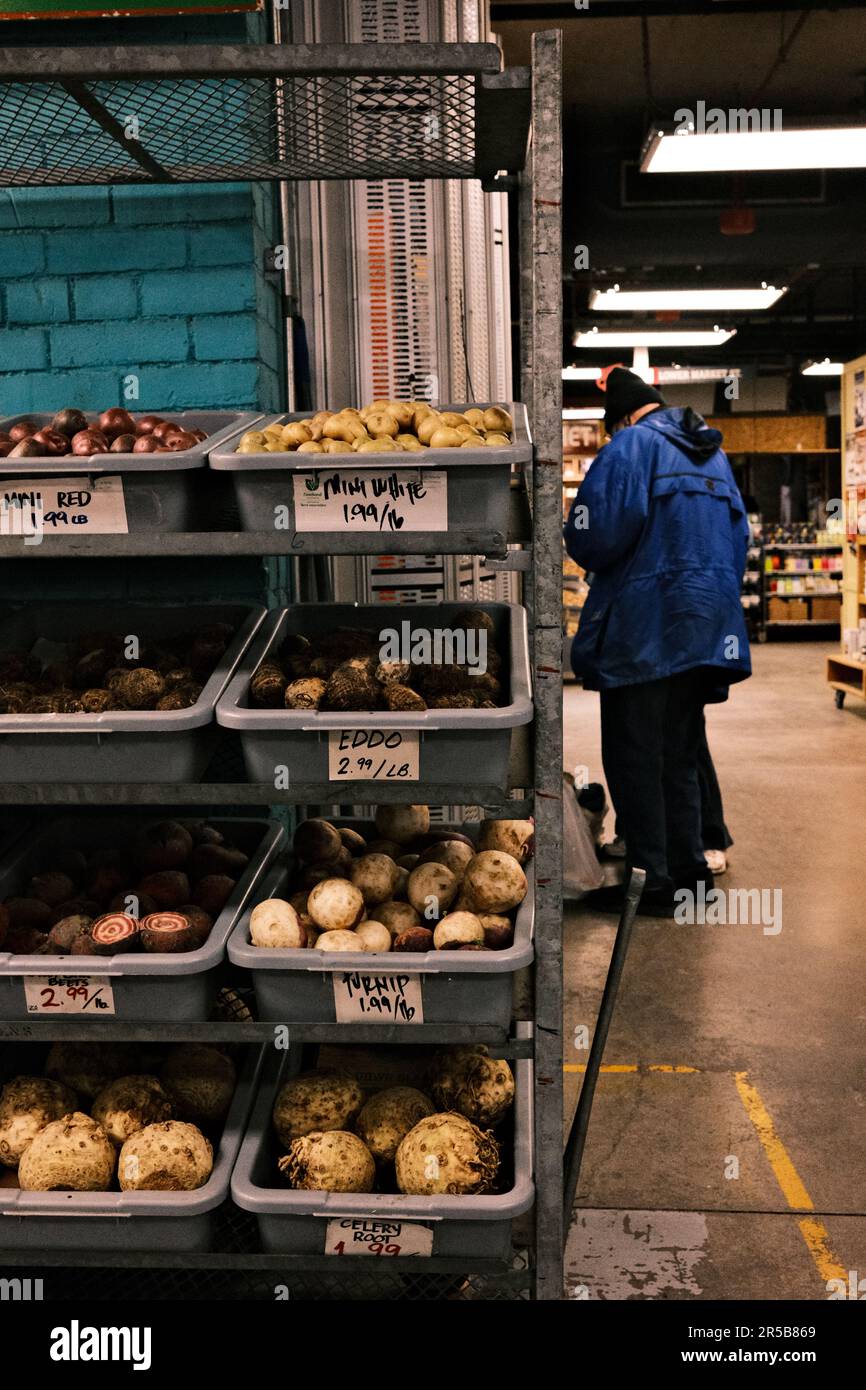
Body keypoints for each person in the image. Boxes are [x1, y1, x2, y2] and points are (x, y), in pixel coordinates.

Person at [563, 367, 750, 915]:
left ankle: (651, 883)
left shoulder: (631, 448)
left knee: (635, 756)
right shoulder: (712, 455)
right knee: (680, 753)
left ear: (620, 418)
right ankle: (690, 876)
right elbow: (739, 538)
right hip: (706, 628)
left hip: (646, 626)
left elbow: (594, 535)